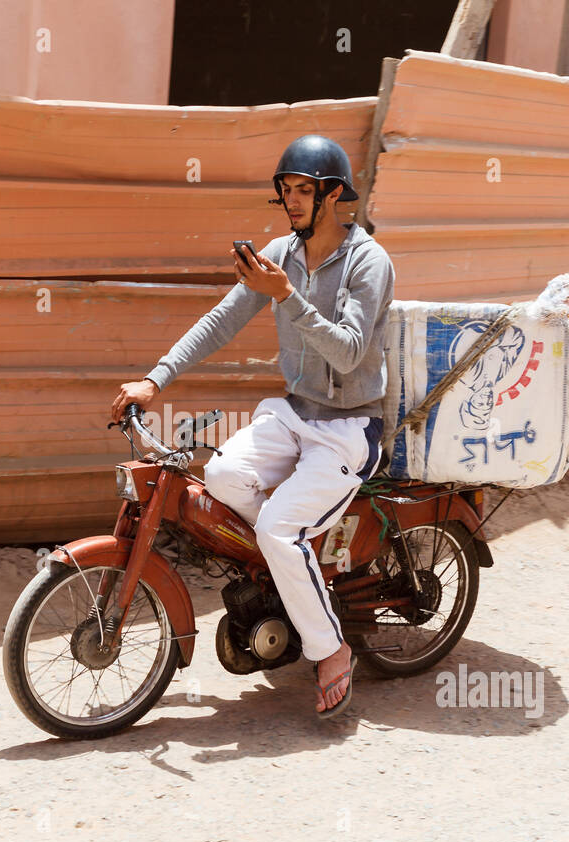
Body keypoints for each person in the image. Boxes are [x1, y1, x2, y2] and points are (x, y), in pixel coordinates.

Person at [110, 134, 396, 718]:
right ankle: (288, 577)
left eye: (303, 191)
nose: (292, 202)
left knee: (278, 529)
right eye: (286, 191)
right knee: (221, 475)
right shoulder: (280, 254)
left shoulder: (369, 262)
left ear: (333, 195)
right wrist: (154, 379)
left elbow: (347, 352)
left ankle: (331, 648)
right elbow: (221, 321)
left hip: (348, 429)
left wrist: (287, 296)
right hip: (294, 412)